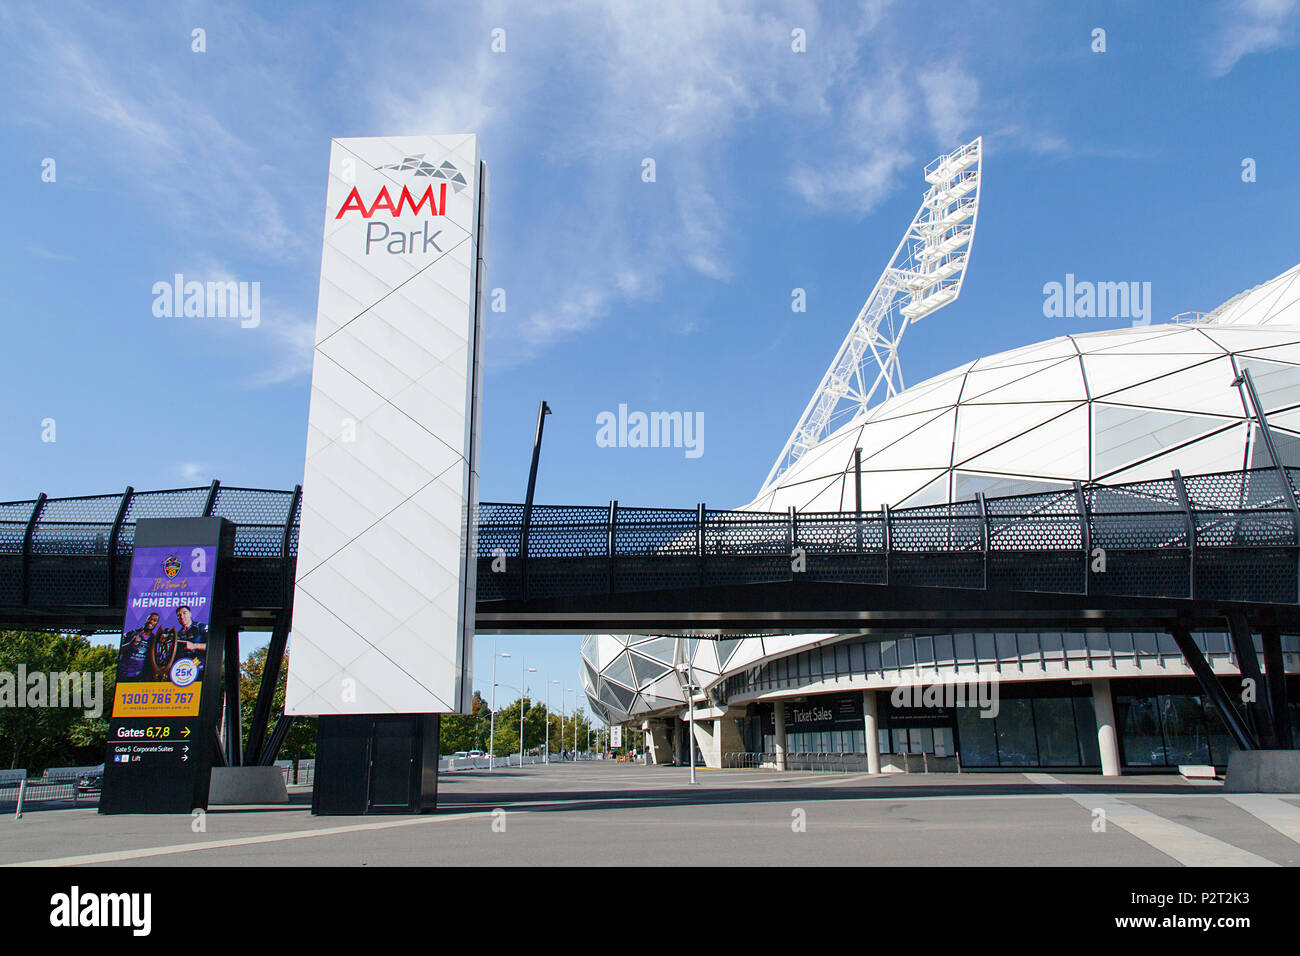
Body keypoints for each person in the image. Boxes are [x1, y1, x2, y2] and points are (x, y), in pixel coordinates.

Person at [119, 613, 160, 680]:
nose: (151, 621)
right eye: (150, 619)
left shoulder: (154, 640)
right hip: (122, 673)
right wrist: (131, 644)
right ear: (146, 620)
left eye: (154, 620)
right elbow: (119, 651)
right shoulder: (131, 633)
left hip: (139, 677)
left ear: (156, 624)